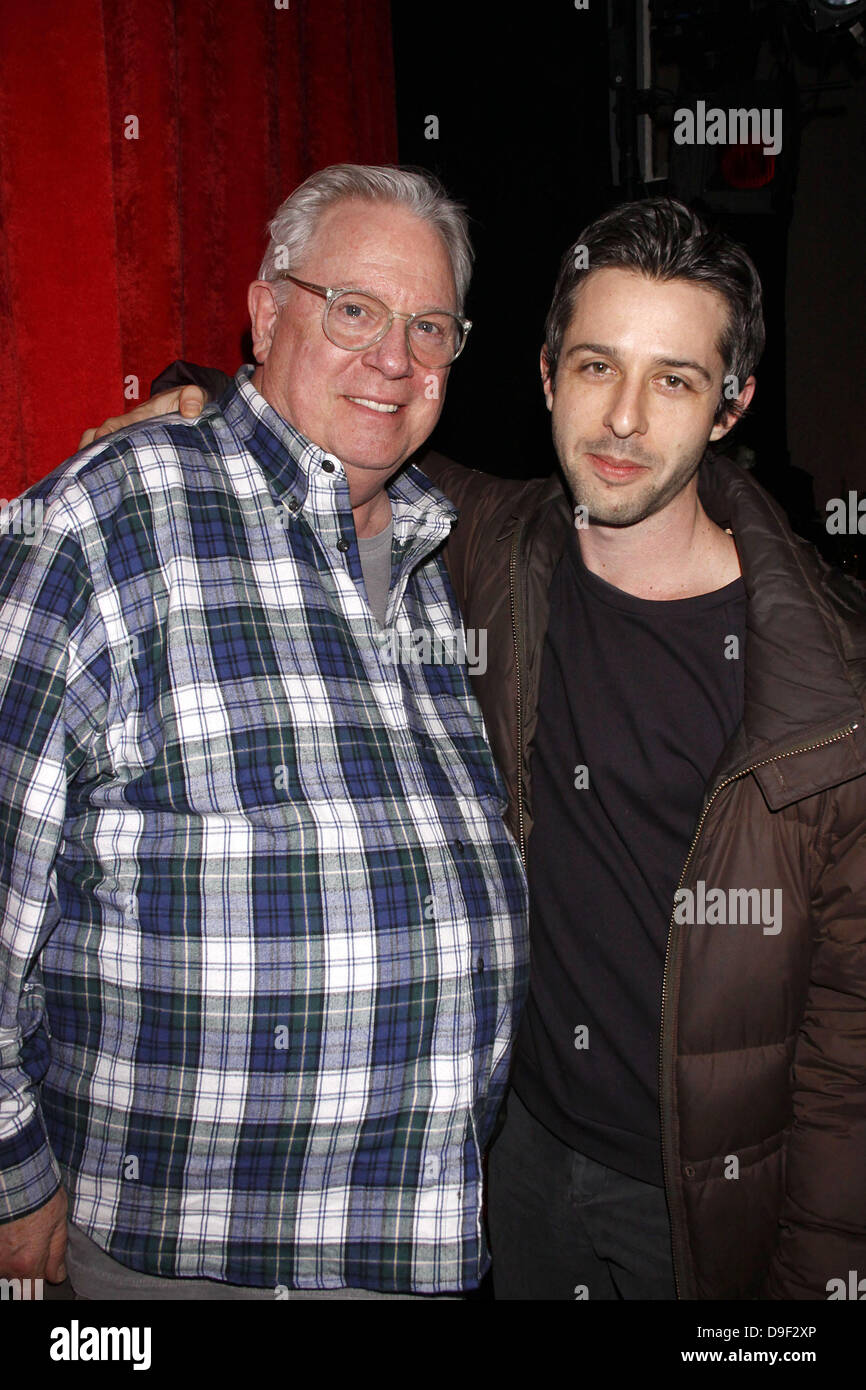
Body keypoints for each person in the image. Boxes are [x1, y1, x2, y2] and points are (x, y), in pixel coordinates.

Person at [115, 194, 866, 1302]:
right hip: (497, 1162)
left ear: (729, 406)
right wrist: (202, 393)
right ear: (545, 374)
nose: (620, 420)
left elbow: (847, 1058)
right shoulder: (482, 548)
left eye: (672, 379)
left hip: (697, 1199)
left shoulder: (828, 679)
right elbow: (334, 435)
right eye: (596, 366)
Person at [0, 164, 529, 1300]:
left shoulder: (440, 557)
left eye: (429, 326)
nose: (394, 357)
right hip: (192, 1265)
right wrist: (9, 1173)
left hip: (423, 1251)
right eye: (353, 309)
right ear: (263, 309)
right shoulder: (116, 514)